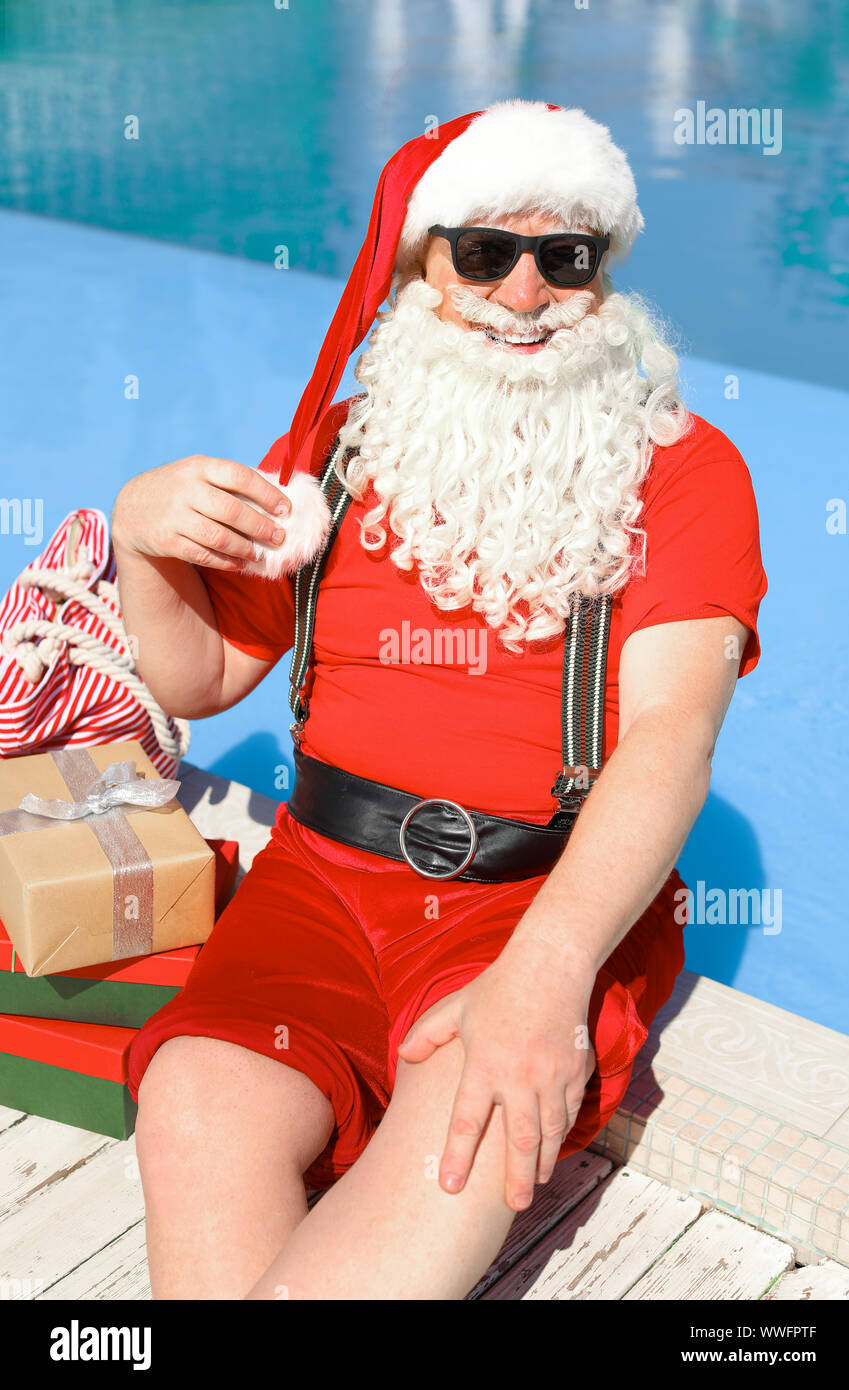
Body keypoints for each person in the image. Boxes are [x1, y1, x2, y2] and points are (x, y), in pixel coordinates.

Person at [112, 99, 767, 1301]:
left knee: (436, 1170)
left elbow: (672, 737)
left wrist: (546, 970)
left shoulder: (683, 471)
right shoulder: (339, 454)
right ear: (420, 268)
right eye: (482, 253)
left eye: (562, 259)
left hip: (523, 907)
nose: (523, 294)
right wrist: (143, 548)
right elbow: (194, 681)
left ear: (600, 276)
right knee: (196, 1102)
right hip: (314, 886)